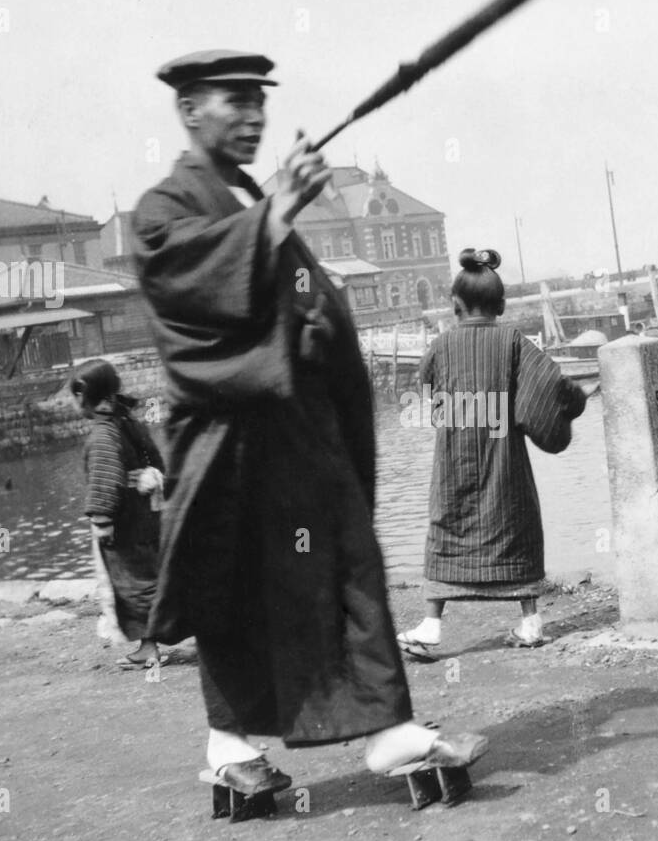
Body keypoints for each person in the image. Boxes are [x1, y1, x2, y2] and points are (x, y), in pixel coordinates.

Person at [131, 49, 486, 798]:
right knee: (234, 592)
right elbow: (188, 288)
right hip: (231, 443)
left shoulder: (243, 198)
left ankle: (388, 731)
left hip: (298, 433)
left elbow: (301, 297)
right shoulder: (166, 208)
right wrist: (275, 215)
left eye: (260, 101)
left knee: (350, 562)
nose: (255, 116)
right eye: (236, 102)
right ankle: (230, 746)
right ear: (191, 110)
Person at [398, 247, 587, 658]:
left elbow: (427, 388)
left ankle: (431, 626)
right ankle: (531, 622)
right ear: (501, 306)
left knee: (447, 525)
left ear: (454, 306)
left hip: (453, 460)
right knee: (513, 521)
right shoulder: (514, 342)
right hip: (504, 458)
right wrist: (575, 400)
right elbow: (550, 386)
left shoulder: (442, 344)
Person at [70, 358, 165, 669]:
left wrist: (103, 521)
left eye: (75, 395)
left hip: (124, 523)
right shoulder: (127, 423)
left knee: (132, 583)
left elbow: (106, 478)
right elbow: (155, 465)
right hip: (144, 516)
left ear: (84, 394)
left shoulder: (103, 435)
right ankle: (152, 642)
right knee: (147, 576)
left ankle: (148, 647)